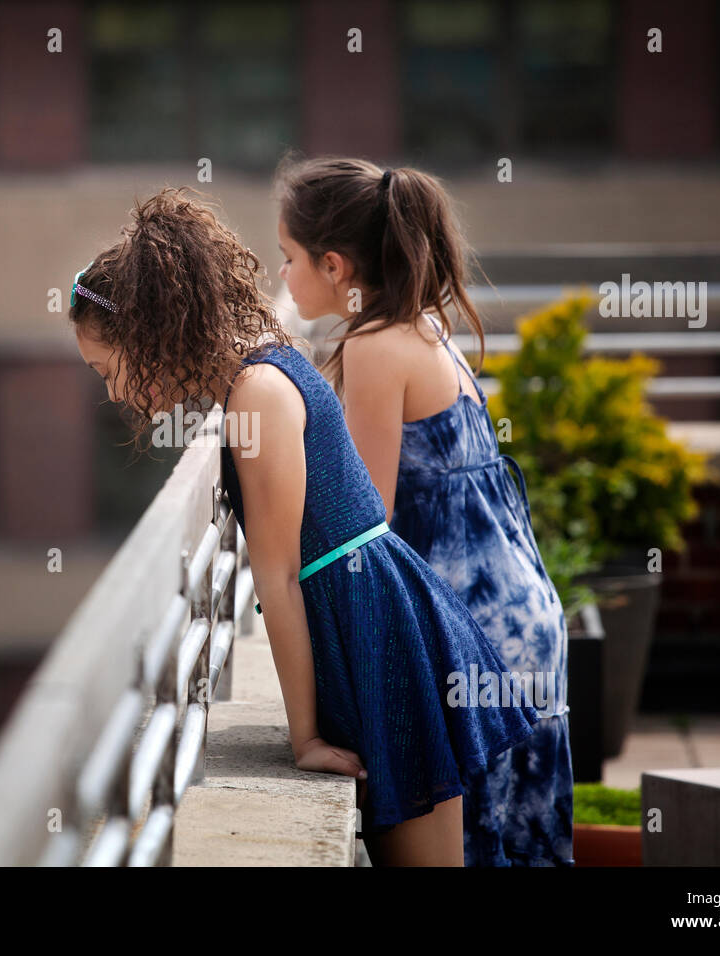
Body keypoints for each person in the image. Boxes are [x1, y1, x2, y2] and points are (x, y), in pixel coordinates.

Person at [69, 186, 540, 865]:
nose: (115, 393)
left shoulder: (257, 395)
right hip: (368, 617)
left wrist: (306, 739)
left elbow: (280, 575)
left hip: (375, 633)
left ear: (150, 333)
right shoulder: (258, 365)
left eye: (108, 370)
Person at [274, 155, 574, 866]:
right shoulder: (423, 326)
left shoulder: (376, 346)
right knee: (524, 839)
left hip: (474, 635)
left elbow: (365, 526)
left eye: (288, 258)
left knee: (483, 843)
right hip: (518, 616)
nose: (281, 276)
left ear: (336, 266)